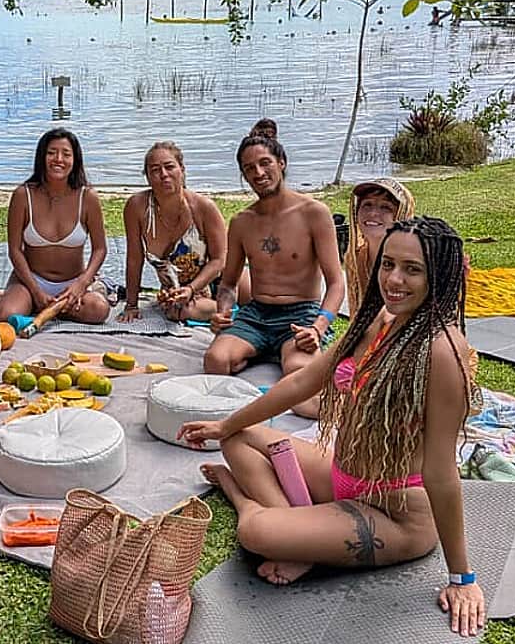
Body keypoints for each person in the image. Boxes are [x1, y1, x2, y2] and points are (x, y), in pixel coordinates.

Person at [179, 217, 485, 638]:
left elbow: (441, 472)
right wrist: (223, 423)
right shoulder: (382, 318)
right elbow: (304, 380)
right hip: (343, 476)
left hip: (393, 511)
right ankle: (304, 534)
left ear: (441, 275)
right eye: (388, 264)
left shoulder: (442, 351)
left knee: (255, 531)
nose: (394, 279)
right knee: (238, 437)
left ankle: (251, 502)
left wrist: (462, 579)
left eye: (412, 269)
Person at [204, 119, 345, 418]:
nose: (258, 173)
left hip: (300, 314)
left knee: (300, 382)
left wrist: (318, 327)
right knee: (215, 361)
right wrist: (223, 310)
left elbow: (336, 282)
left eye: (265, 163)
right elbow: (228, 284)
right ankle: (261, 352)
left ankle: (275, 355)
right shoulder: (242, 221)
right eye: (248, 168)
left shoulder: (313, 213)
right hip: (256, 314)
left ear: (281, 163)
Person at [0, 128, 110, 325]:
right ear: (41, 156)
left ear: (75, 160)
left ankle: (47, 309)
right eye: (51, 153)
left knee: (99, 310)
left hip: (72, 282)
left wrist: (81, 284)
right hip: (31, 280)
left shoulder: (88, 197)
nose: (58, 159)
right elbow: (15, 250)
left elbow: (100, 249)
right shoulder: (23, 195)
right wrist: (35, 291)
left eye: (66, 154)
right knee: (2, 316)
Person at [118, 141, 229, 323]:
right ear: (147, 177)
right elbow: (134, 258)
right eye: (155, 170)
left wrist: (192, 289)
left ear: (182, 169)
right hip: (175, 294)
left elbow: (219, 260)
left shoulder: (204, 208)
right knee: (175, 310)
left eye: (169, 167)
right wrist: (131, 305)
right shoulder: (137, 207)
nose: (163, 175)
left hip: (216, 284)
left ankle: (233, 310)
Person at [344, 177, 415, 317]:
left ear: (401, 215)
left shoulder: (414, 260)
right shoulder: (355, 258)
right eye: (367, 205)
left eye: (385, 207)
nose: (373, 213)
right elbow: (356, 315)